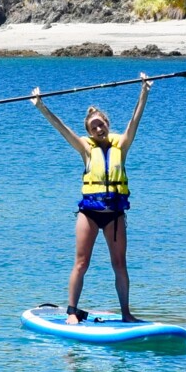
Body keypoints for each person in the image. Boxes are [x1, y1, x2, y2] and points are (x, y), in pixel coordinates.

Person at [29, 76, 151, 324]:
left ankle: (126, 313)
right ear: (88, 131)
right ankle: (72, 311)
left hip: (115, 214)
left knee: (120, 264)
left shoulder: (122, 145)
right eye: (93, 127)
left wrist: (144, 92)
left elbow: (134, 121)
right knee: (81, 262)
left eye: (101, 125)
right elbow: (63, 129)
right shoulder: (86, 148)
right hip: (90, 213)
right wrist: (41, 106)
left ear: (107, 124)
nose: (98, 129)